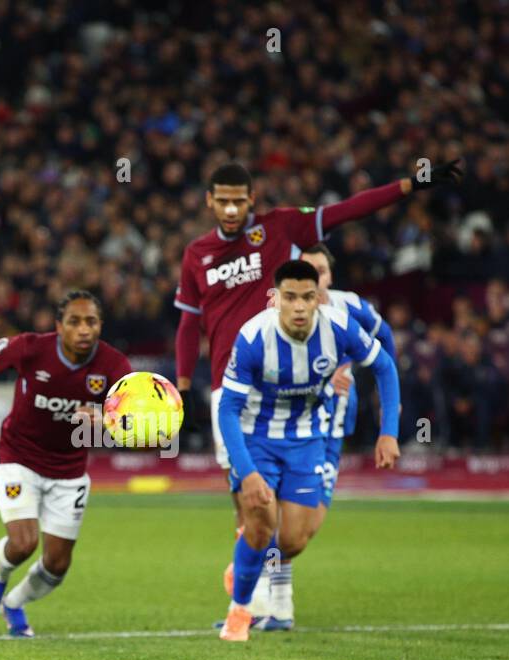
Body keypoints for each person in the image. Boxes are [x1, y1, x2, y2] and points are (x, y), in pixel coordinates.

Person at [175, 159, 459, 618]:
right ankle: (258, 599)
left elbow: (350, 209)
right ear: (209, 201)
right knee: (248, 500)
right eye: (221, 200)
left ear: (252, 199)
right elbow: (189, 322)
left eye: (238, 200)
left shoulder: (282, 228)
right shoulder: (196, 254)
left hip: (297, 392)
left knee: (288, 523)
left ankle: (256, 593)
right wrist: (184, 384)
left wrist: (412, 183)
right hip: (234, 391)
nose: (230, 209)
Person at [216, 260, 401, 642]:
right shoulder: (253, 338)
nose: (299, 307)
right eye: (290, 298)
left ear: (319, 297)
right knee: (262, 523)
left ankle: (245, 558)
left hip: (307, 439)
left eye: (307, 297)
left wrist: (389, 432)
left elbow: (384, 366)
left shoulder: (339, 328)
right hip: (257, 437)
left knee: (293, 540)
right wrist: (247, 470)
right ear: (276, 298)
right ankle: (240, 609)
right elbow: (227, 409)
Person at [0, 291, 132, 637]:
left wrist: (103, 417)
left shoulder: (115, 367)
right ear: (59, 326)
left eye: (91, 321)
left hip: (70, 471)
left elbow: (131, 420)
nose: (83, 329)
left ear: (100, 326)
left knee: (57, 564)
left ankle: (15, 603)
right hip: (20, 457)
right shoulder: (32, 348)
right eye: (74, 321)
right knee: (24, 543)